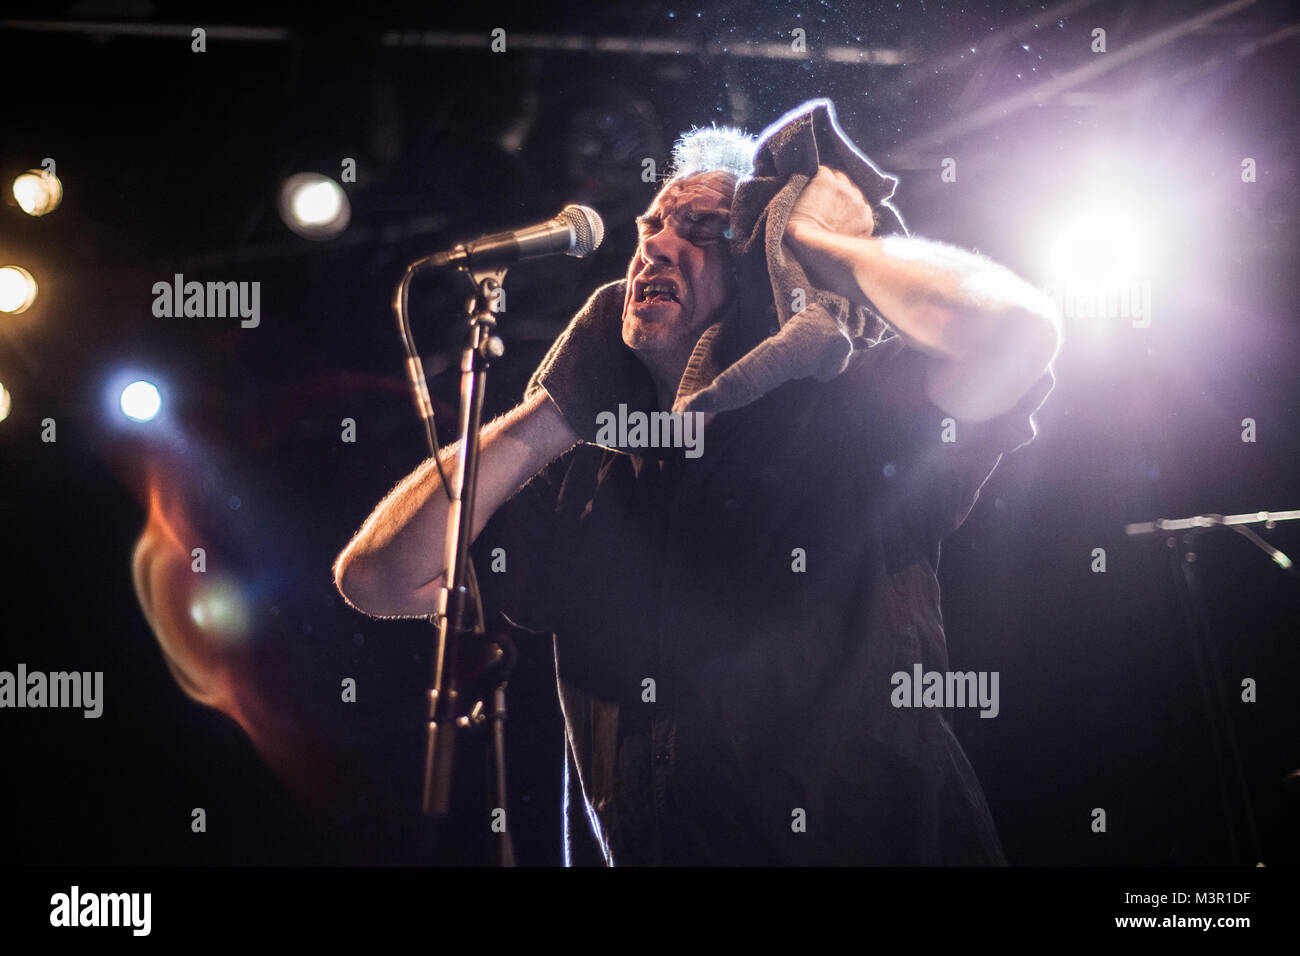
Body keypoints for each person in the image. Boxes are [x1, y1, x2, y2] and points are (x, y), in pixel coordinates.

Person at [333, 120, 1061, 866]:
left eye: (704, 228)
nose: (653, 244)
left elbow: (1017, 332)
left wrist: (826, 248)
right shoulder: (583, 478)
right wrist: (556, 412)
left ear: (761, 268)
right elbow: (379, 578)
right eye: (650, 226)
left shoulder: (846, 410)